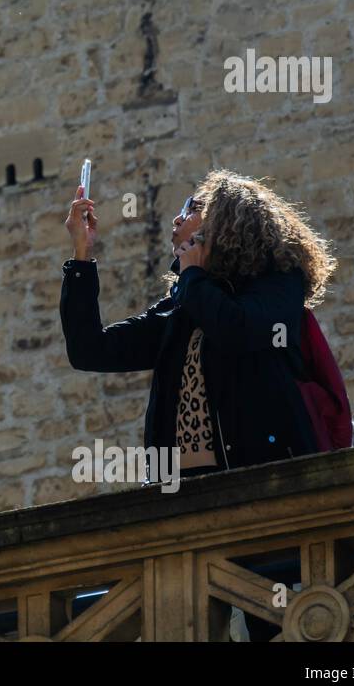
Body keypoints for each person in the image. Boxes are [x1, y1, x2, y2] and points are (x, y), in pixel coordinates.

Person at [60, 169, 338, 639]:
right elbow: (90, 350)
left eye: (190, 209)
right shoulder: (182, 303)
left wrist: (192, 277)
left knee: (276, 624)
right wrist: (82, 255)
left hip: (263, 487)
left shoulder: (277, 284)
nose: (175, 218)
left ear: (227, 219)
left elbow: (239, 327)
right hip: (184, 497)